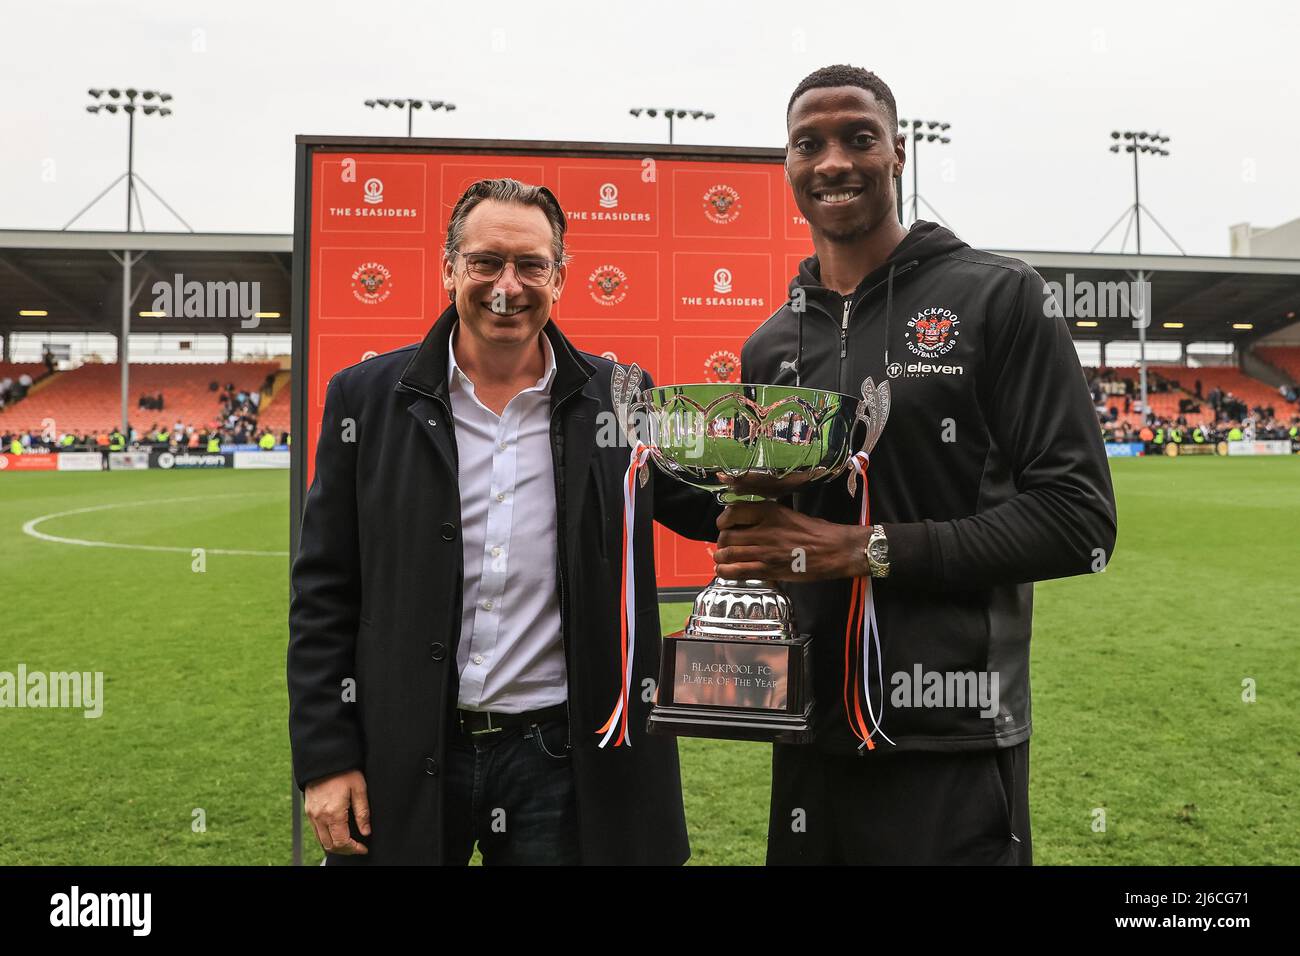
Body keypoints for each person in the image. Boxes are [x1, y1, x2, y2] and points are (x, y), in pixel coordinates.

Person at [712, 65, 1117, 865]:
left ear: (899, 154)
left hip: (949, 736)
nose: (833, 162)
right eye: (809, 144)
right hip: (807, 733)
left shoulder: (1000, 298)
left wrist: (859, 550)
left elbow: (1079, 520)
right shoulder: (771, 342)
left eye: (859, 139)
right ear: (786, 166)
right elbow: (769, 521)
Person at [288, 178, 717, 865]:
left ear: (561, 277)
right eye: (486, 261)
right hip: (409, 753)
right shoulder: (365, 400)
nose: (506, 285)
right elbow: (323, 594)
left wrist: (796, 491)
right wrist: (325, 755)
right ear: (450, 268)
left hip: (563, 760)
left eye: (531, 266)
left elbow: (718, 507)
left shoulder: (625, 402)